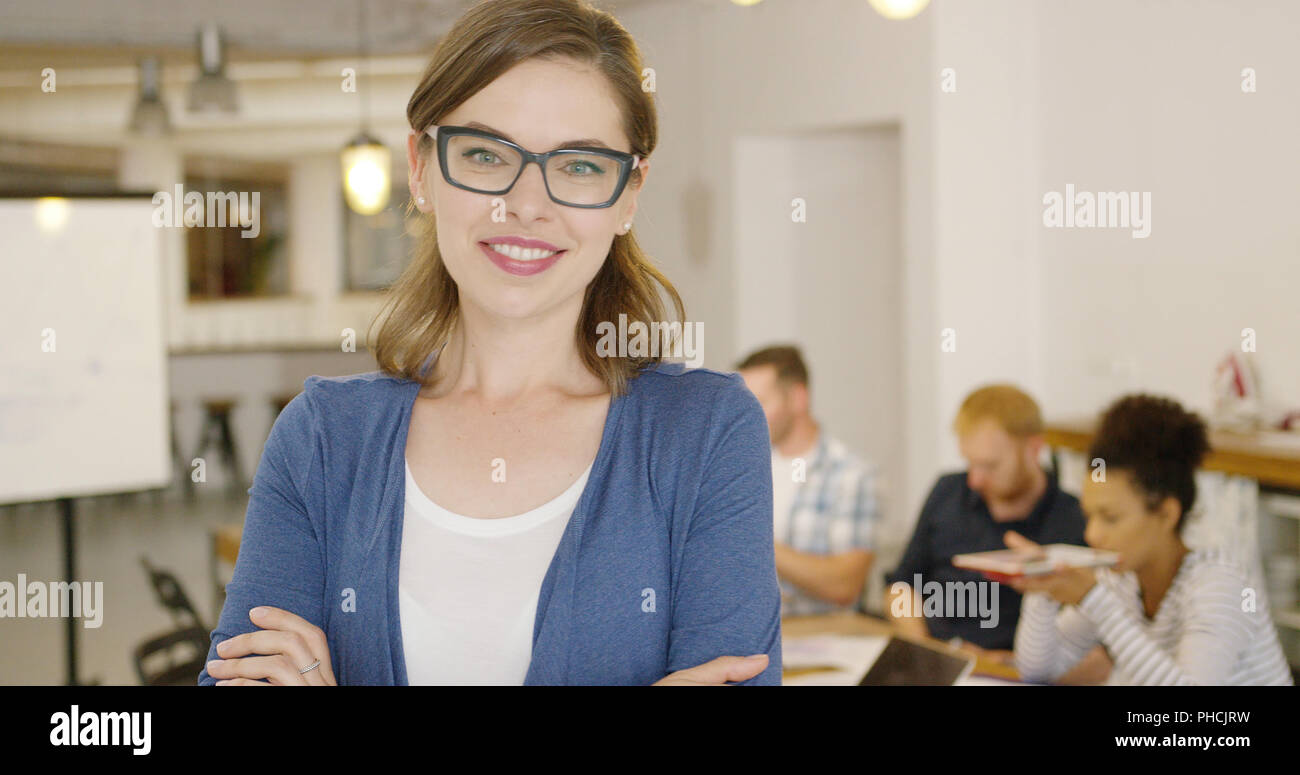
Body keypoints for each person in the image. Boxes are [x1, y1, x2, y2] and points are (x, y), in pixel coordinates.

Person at [198, 0, 781, 686]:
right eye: (484, 153)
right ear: (421, 167)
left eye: (580, 166)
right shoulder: (324, 441)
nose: (526, 204)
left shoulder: (705, 433)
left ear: (629, 193)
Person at [1011, 394, 1294, 685]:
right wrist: (1042, 590)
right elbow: (1039, 671)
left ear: (1166, 513)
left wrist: (1095, 601)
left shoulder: (1220, 585)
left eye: (1111, 518)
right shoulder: (1120, 580)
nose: (1092, 534)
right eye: (1089, 515)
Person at [883, 384, 1086, 658]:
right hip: (936, 657)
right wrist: (926, 649)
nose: (975, 479)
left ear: (1033, 449)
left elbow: (1085, 634)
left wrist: (1012, 663)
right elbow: (900, 587)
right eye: (970, 463)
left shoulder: (1073, 519)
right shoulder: (948, 491)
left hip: (1013, 670)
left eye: (990, 466)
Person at [736, 345, 878, 616]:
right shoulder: (737, 468)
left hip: (816, 639)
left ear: (798, 399)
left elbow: (843, 587)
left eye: (759, 402)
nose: (745, 417)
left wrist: (749, 538)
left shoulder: (851, 473)